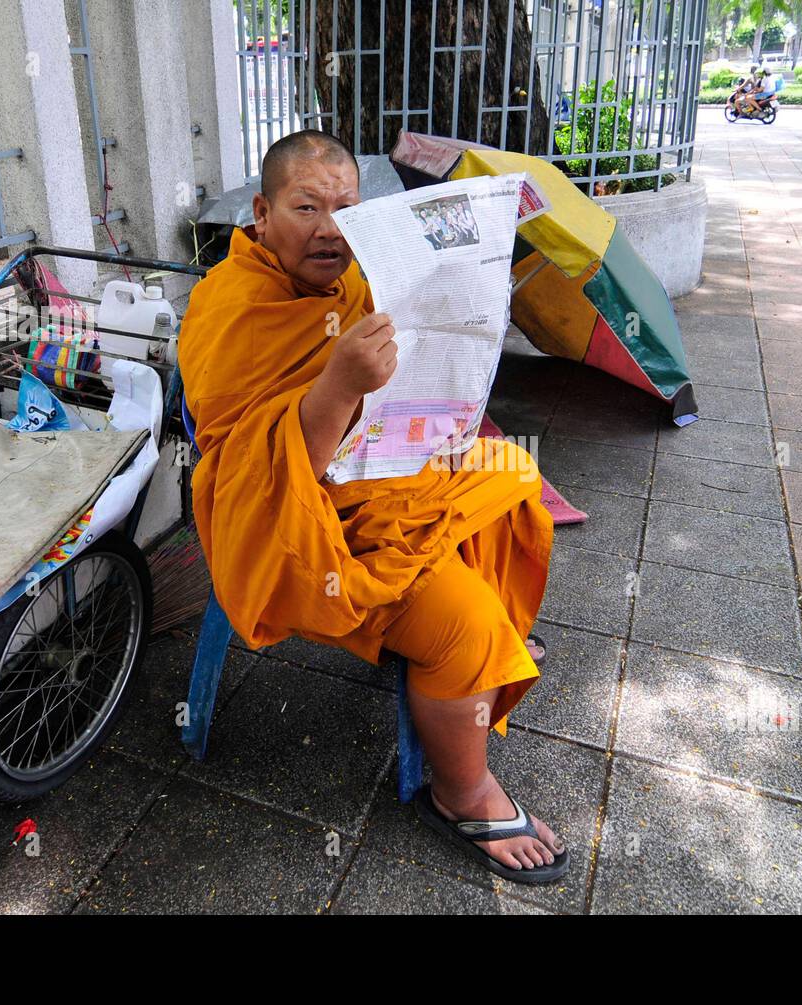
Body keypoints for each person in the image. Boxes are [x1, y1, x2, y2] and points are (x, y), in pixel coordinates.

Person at [177, 130, 568, 883]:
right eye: (306, 207)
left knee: (512, 481)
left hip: (387, 475)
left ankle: (479, 651)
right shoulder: (229, 307)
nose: (330, 228)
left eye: (345, 208)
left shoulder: (356, 277)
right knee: (466, 626)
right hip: (302, 525)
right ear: (261, 213)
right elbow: (254, 469)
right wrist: (337, 386)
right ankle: (462, 792)